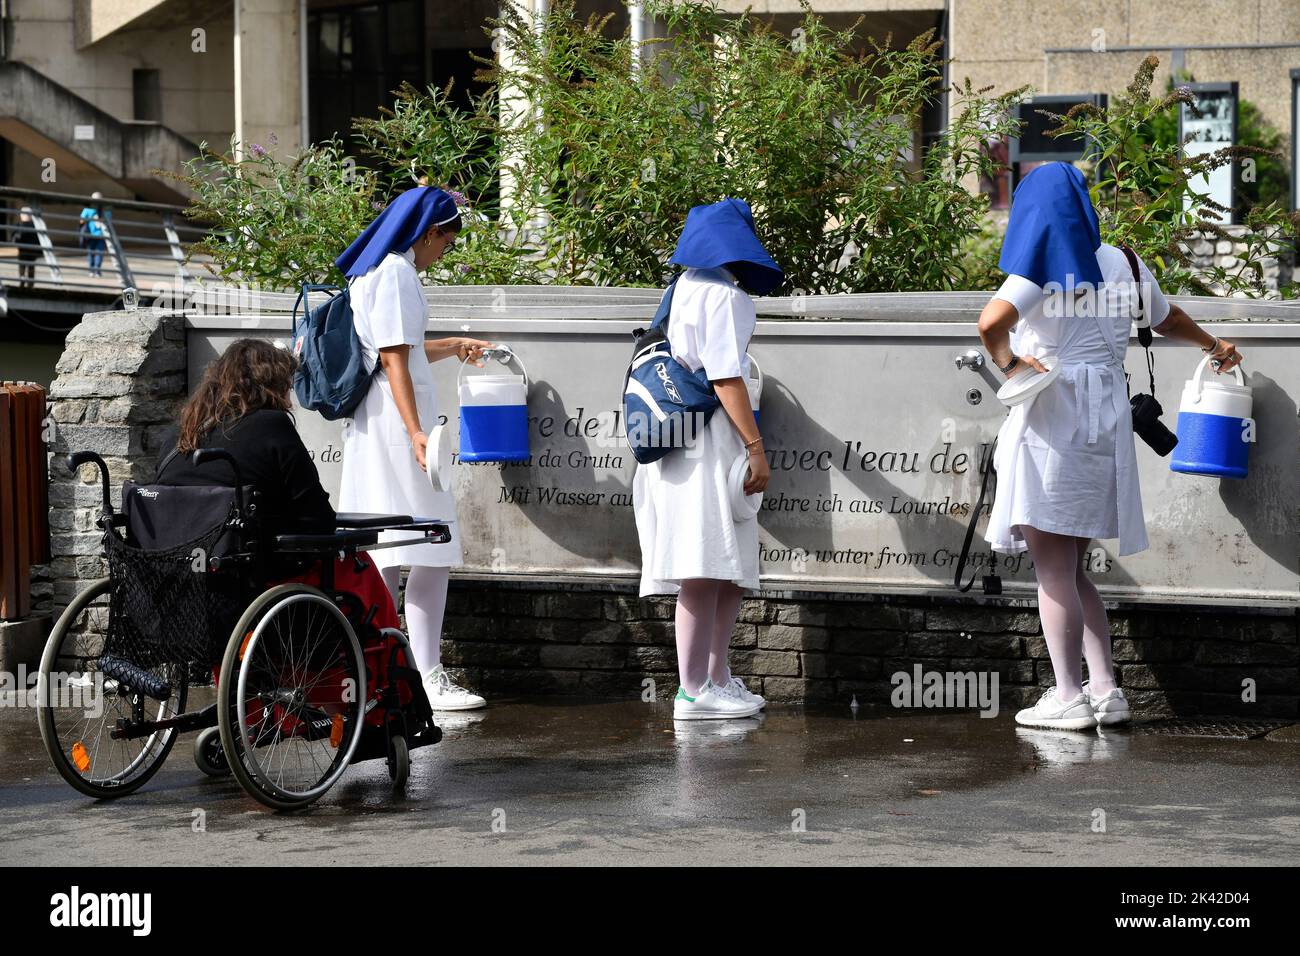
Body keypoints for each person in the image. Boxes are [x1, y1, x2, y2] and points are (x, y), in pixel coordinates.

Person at [977, 162, 1243, 731]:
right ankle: (1105, 691)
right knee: (1073, 566)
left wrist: (1009, 364)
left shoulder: (1038, 266)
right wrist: (1214, 343)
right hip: (1104, 424)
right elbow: (1166, 317)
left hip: (1053, 420)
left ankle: (1068, 697)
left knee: (1052, 569)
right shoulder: (1122, 262)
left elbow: (988, 324)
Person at [335, 185, 494, 711]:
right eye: (447, 242)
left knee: (383, 547)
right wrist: (417, 432)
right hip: (400, 430)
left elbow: (395, 349)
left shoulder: (370, 271)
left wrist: (452, 346)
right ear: (430, 232)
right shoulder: (399, 273)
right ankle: (425, 676)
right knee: (431, 544)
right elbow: (395, 361)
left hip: (375, 427)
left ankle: (381, 673)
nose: (444, 253)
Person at [633, 197, 782, 721]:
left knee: (720, 565)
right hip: (712, 445)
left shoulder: (682, 288)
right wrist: (756, 448)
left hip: (680, 446)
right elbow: (725, 376)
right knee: (707, 566)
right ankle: (695, 689)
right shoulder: (726, 296)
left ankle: (713, 681)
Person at [156, 338, 397, 624]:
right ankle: (382, 664)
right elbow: (318, 517)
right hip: (250, 573)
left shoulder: (180, 434)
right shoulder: (271, 425)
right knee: (357, 565)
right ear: (272, 384)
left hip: (177, 572)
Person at [79, 192, 109, 279]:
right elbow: (109, 221)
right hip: (101, 235)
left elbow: (81, 221)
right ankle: (97, 271)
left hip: (90, 235)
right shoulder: (105, 210)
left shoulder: (87, 210)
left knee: (91, 253)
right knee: (99, 253)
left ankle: (92, 271)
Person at [13, 206, 38, 288]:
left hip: (23, 250)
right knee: (31, 267)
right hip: (32, 251)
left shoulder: (19, 225)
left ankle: (22, 282)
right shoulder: (35, 226)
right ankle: (30, 284)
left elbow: (14, 238)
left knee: (22, 267)